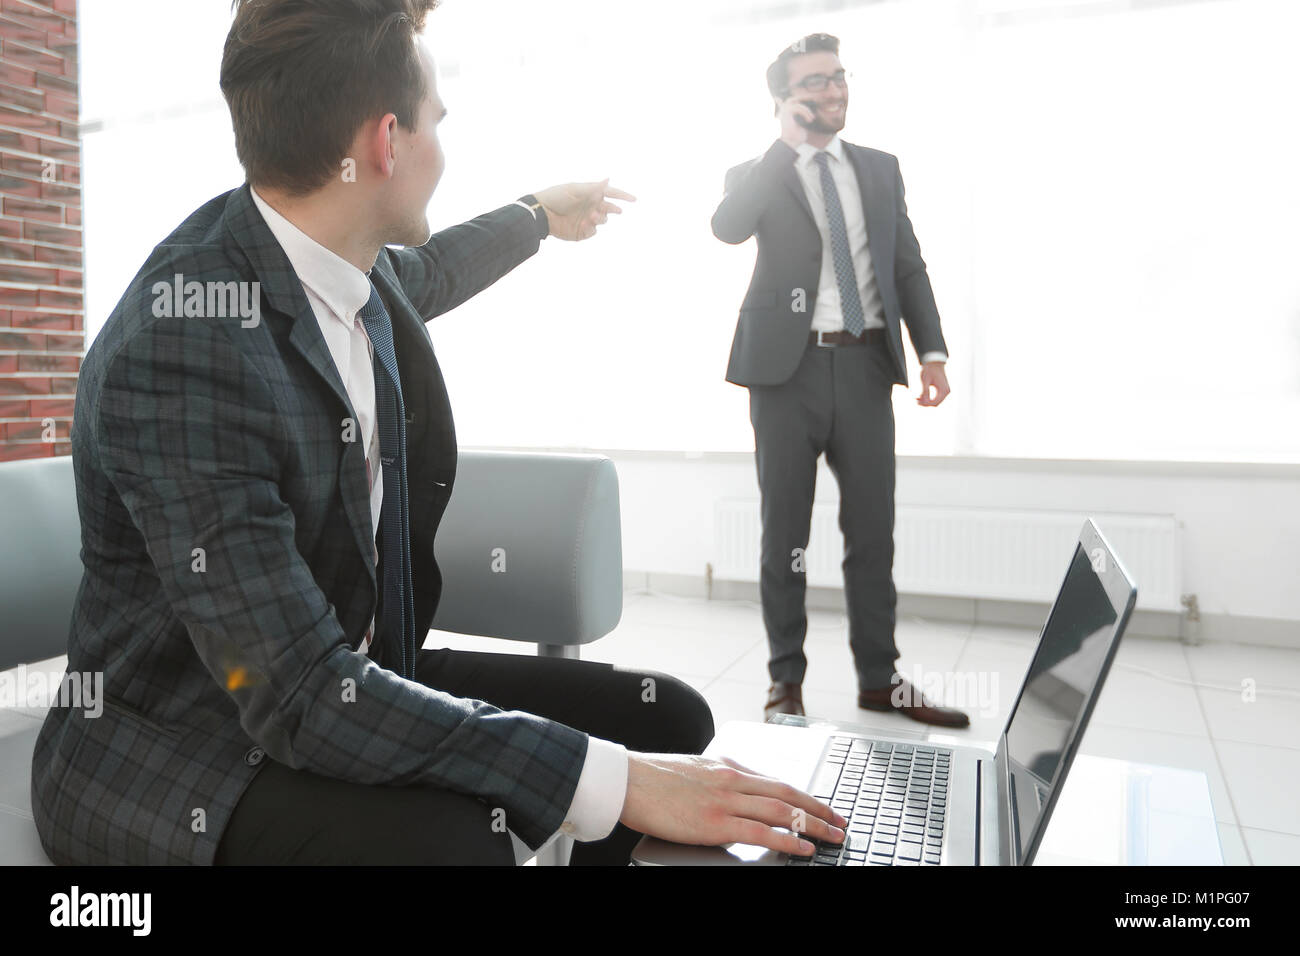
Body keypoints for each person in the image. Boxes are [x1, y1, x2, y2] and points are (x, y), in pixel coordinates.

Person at [30, 0, 845, 865]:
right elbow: (297, 692)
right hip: (184, 747)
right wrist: (624, 785)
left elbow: (433, 270)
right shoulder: (183, 346)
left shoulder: (340, 263)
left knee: (664, 720)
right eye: (438, 125)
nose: (442, 147)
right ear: (387, 142)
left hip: (341, 680)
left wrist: (538, 214)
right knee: (468, 843)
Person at [711, 33, 970, 729]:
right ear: (785, 100)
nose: (834, 91)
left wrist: (934, 352)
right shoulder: (757, 170)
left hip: (864, 366)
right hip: (784, 374)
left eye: (838, 77)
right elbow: (727, 228)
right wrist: (782, 146)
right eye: (816, 83)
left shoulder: (880, 169)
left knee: (872, 530)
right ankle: (784, 684)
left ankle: (879, 679)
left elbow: (908, 265)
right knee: (784, 533)